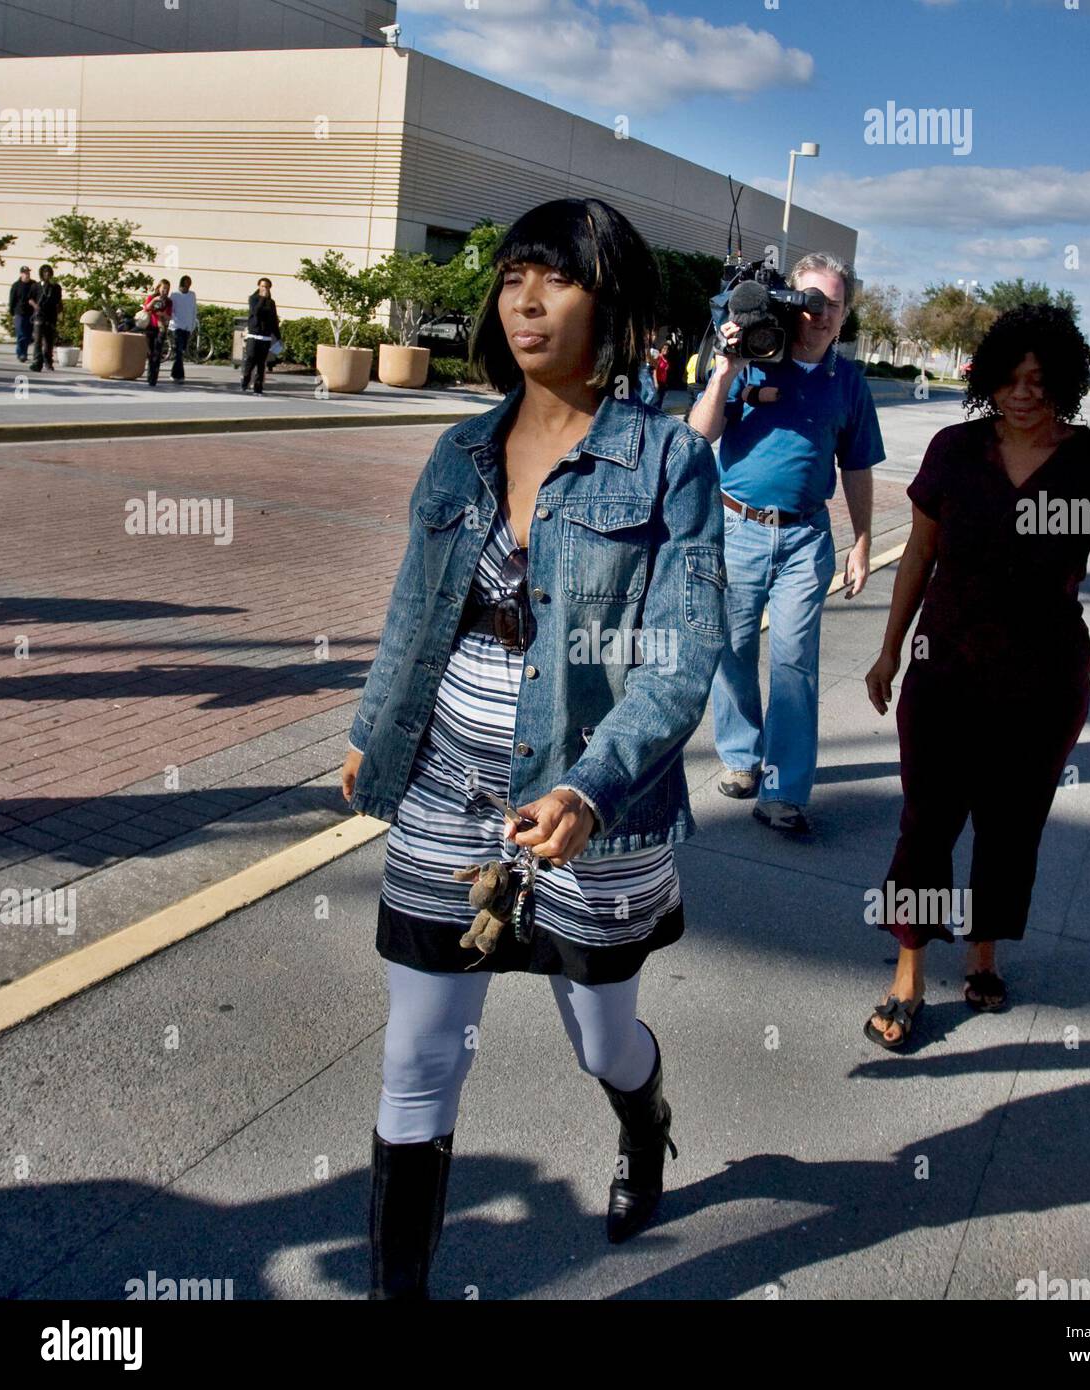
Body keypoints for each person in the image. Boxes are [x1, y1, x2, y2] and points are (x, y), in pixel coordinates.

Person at [340, 196, 726, 1300]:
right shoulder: (461, 449)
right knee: (418, 1055)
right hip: (448, 775)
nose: (524, 298)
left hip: (591, 795)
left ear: (611, 305)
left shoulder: (665, 464)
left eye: (554, 278)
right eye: (513, 275)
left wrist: (594, 790)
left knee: (602, 1038)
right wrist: (376, 729)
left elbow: (680, 652)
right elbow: (416, 608)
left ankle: (642, 1119)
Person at [861, 304, 1090, 1049]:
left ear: (1064, 382)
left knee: (1010, 824)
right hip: (943, 667)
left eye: (1040, 379)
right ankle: (907, 970)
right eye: (1010, 378)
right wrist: (890, 650)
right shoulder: (954, 452)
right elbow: (917, 559)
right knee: (925, 822)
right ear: (987, 378)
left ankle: (983, 951)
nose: (1023, 393)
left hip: (1043, 676)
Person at [688, 252, 885, 835]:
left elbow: (857, 467)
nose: (822, 315)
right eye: (813, 301)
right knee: (733, 649)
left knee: (795, 661)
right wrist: (724, 369)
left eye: (835, 304)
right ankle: (743, 757)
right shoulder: (751, 359)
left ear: (846, 314)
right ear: (791, 302)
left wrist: (863, 541)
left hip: (805, 538)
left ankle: (783, 789)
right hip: (736, 528)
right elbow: (700, 435)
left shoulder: (847, 383)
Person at [241, 277, 280, 394]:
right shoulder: (253, 299)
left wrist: (278, 337)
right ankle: (245, 380)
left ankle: (258, 387)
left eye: (267, 287)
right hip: (254, 335)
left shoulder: (271, 303)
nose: (265, 289)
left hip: (265, 337)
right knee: (250, 359)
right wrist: (262, 298)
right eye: (263, 286)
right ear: (259, 286)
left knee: (261, 364)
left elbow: (274, 321)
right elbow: (256, 312)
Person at [28, 264, 62, 373]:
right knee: (37, 340)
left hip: (51, 317)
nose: (47, 274)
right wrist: (35, 306)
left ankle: (48, 362)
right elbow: (30, 299)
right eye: (45, 272)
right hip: (39, 316)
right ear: (41, 274)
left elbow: (58, 302)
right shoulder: (36, 286)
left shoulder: (55, 287)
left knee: (48, 342)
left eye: (49, 272)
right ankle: (37, 363)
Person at [142, 279, 172, 387]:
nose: (165, 291)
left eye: (167, 289)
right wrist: (154, 301)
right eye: (164, 288)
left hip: (161, 329)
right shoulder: (152, 297)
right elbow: (145, 309)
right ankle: (150, 375)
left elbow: (169, 316)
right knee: (150, 353)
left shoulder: (168, 302)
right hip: (150, 327)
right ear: (159, 288)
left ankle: (153, 379)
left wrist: (163, 314)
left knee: (157, 353)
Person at [169, 274, 197, 384]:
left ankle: (174, 373)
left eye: (189, 284)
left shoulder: (192, 295)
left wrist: (192, 325)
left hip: (187, 327)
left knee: (181, 351)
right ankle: (180, 375)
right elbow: (171, 310)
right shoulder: (175, 295)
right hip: (177, 327)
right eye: (186, 284)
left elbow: (194, 310)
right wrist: (172, 322)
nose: (188, 286)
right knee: (179, 351)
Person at [9, 266, 37, 362]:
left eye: (28, 272)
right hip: (19, 313)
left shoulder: (33, 284)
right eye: (25, 273)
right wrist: (12, 312)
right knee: (21, 334)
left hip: (30, 313)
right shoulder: (16, 285)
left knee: (28, 335)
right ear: (21, 274)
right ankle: (21, 354)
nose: (27, 274)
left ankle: (23, 352)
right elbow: (12, 300)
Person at [654, 340, 671, 410]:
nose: (666, 350)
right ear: (661, 349)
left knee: (660, 400)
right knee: (656, 400)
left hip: (663, 383)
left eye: (667, 349)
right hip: (658, 382)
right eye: (664, 348)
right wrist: (655, 382)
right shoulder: (659, 358)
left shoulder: (666, 359)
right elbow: (655, 370)